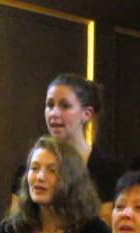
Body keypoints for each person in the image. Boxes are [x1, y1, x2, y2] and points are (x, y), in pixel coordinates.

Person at [11, 73, 125, 218]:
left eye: (65, 106)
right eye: (50, 105)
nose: (54, 113)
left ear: (87, 114)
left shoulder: (110, 172)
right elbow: (17, 225)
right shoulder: (27, 171)